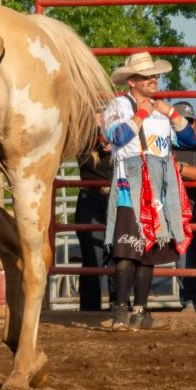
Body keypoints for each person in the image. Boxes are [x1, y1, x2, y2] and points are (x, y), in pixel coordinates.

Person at [103, 53, 196, 332]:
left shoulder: (162, 110)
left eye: (154, 75)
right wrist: (144, 113)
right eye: (147, 76)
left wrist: (171, 113)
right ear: (132, 81)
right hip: (129, 180)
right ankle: (120, 311)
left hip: (157, 181)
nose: (154, 80)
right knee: (126, 247)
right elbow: (118, 137)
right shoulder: (119, 105)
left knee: (149, 247)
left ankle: (140, 312)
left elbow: (189, 140)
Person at [172, 101, 196, 312]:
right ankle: (193, 301)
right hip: (183, 207)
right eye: (178, 122)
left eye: (189, 121)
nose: (184, 126)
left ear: (195, 122)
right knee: (183, 254)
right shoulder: (167, 140)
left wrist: (179, 168)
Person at [73, 120, 114, 312]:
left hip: (117, 199)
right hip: (91, 198)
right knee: (92, 259)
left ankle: (119, 305)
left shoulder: (123, 135)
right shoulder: (83, 136)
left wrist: (116, 141)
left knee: (119, 255)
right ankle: (90, 310)